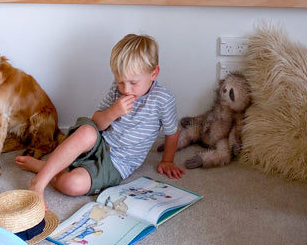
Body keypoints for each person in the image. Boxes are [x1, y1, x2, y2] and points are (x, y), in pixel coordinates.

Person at [15, 33, 183, 200]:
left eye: (133, 83)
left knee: (72, 184)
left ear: (154, 73)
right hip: (99, 143)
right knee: (87, 131)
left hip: (117, 164)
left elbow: (172, 133)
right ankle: (39, 182)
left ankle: (44, 167)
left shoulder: (163, 100)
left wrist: (167, 160)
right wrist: (113, 112)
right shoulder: (117, 90)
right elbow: (97, 123)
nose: (126, 89)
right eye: (120, 82)